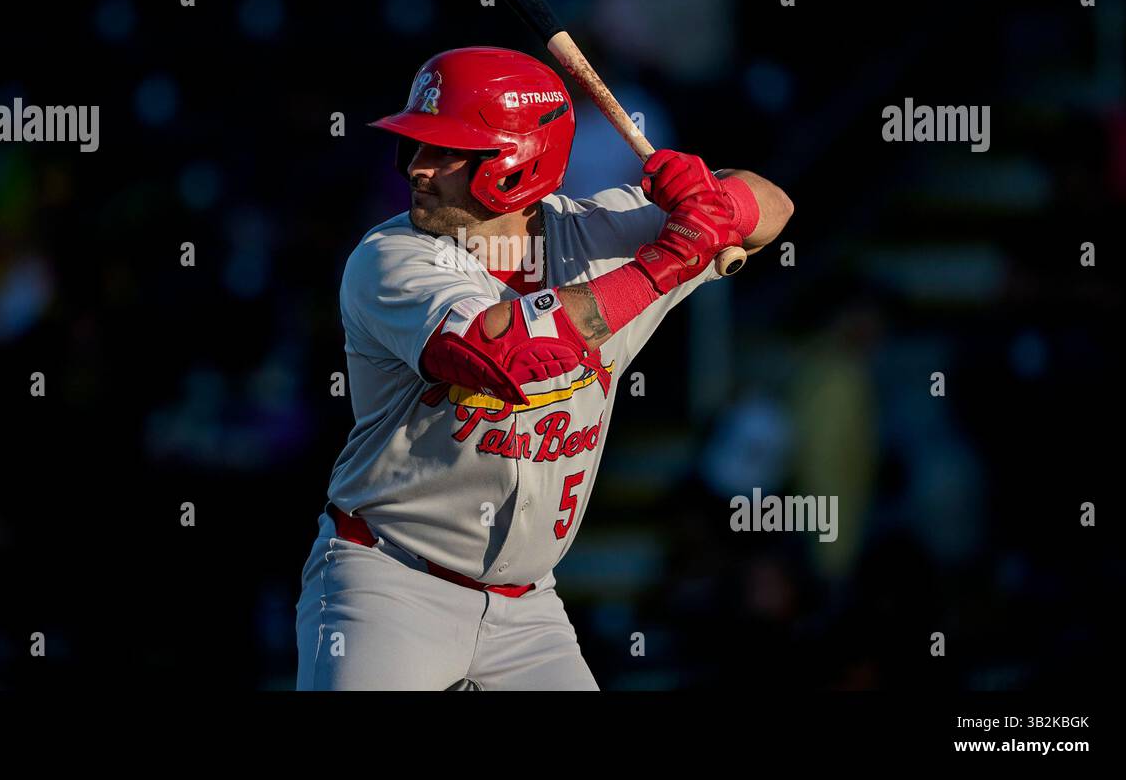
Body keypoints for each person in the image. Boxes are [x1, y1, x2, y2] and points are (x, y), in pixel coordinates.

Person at [295, 46, 793, 689]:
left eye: (446, 150)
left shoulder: (600, 233)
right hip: (387, 584)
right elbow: (504, 357)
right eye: (416, 146)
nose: (417, 168)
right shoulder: (389, 256)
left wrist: (718, 203)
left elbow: (774, 203)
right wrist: (665, 262)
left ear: (514, 164)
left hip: (528, 608)